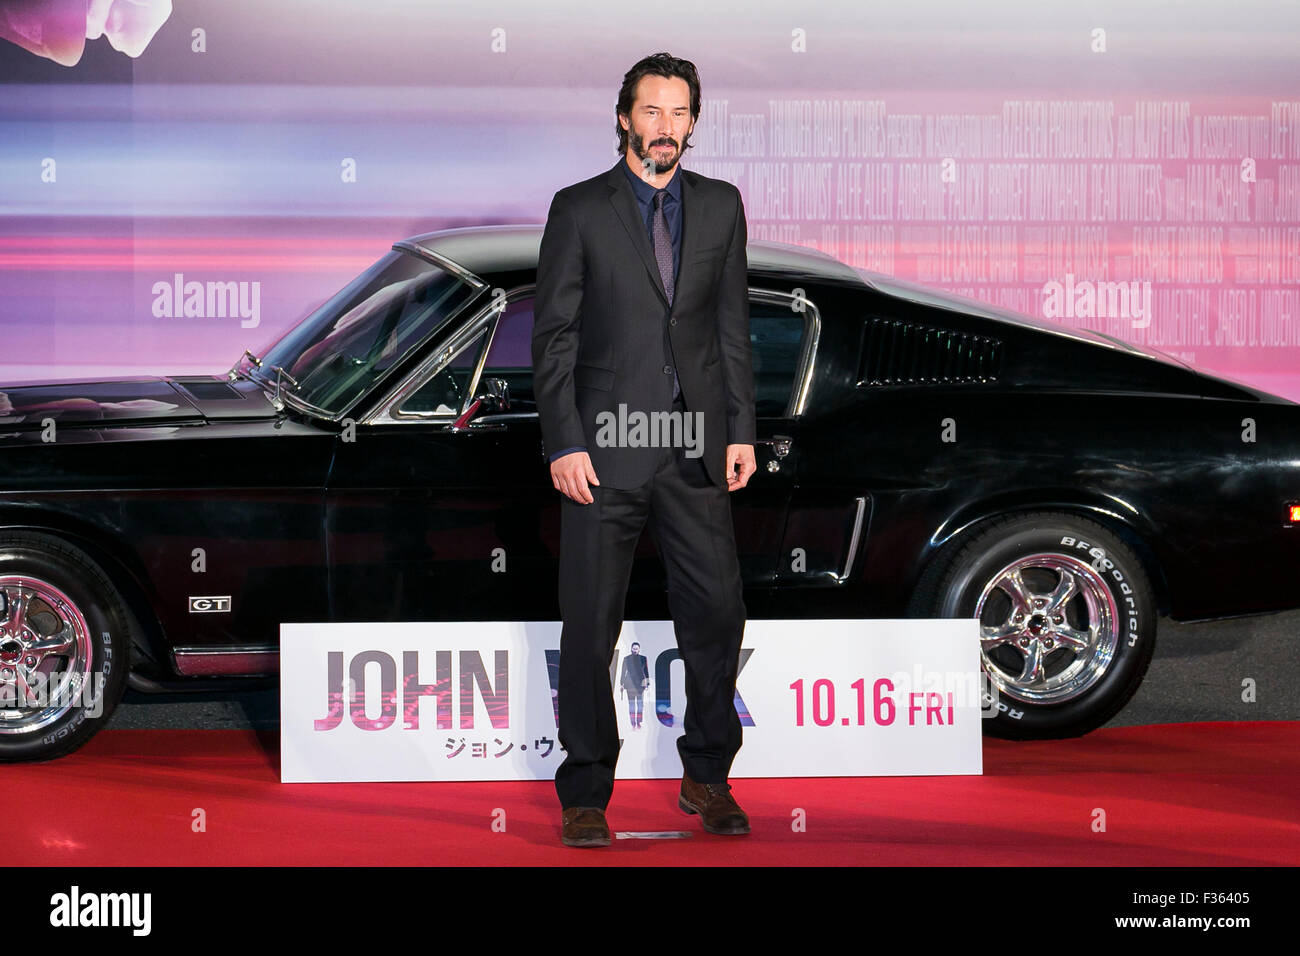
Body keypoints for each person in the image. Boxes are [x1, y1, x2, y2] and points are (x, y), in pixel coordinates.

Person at [532, 51, 756, 848]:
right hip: (603, 448)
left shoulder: (723, 207)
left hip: (693, 445)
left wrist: (739, 432)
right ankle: (587, 790)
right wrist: (563, 440)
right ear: (624, 116)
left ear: (694, 122)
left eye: (680, 113)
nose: (666, 127)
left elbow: (730, 333)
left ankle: (708, 777)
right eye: (651, 111)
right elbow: (552, 337)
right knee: (591, 624)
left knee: (716, 615)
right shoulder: (580, 208)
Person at [619, 642, 650, 728]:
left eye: (637, 649)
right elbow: (623, 672)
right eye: (634, 648)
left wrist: (647, 683)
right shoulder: (626, 659)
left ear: (639, 649)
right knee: (632, 705)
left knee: (640, 705)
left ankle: (639, 722)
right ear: (631, 649)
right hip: (630, 685)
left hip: (640, 685)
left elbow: (646, 671)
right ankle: (633, 723)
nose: (635, 650)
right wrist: (621, 684)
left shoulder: (643, 658)